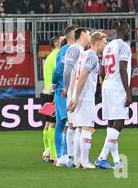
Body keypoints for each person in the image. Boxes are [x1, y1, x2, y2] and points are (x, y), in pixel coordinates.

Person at [95, 23, 133, 171]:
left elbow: (102, 71)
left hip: (107, 85)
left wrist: (105, 82)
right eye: (128, 29)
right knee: (119, 123)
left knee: (111, 124)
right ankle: (102, 158)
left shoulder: (108, 47)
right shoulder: (124, 46)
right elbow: (123, 69)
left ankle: (116, 160)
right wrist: (128, 92)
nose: (129, 32)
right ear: (123, 31)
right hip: (117, 87)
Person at [65, 30, 102, 169]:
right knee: (86, 128)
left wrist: (73, 95)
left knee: (79, 128)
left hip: (77, 94)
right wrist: (76, 96)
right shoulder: (92, 56)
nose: (105, 46)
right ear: (97, 42)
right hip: (85, 96)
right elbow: (83, 76)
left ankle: (77, 160)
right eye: (104, 43)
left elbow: (75, 74)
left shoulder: (83, 54)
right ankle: (85, 162)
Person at [51, 24, 83, 167]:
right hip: (64, 91)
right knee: (69, 124)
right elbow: (59, 70)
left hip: (59, 90)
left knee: (60, 124)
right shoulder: (69, 50)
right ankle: (68, 156)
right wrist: (59, 85)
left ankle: (60, 156)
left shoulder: (63, 50)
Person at [40, 33, 64, 163]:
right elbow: (57, 75)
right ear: (56, 43)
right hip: (53, 92)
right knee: (55, 123)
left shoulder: (49, 56)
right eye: (62, 40)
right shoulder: (57, 56)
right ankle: (55, 154)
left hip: (46, 92)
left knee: (49, 122)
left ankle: (47, 150)